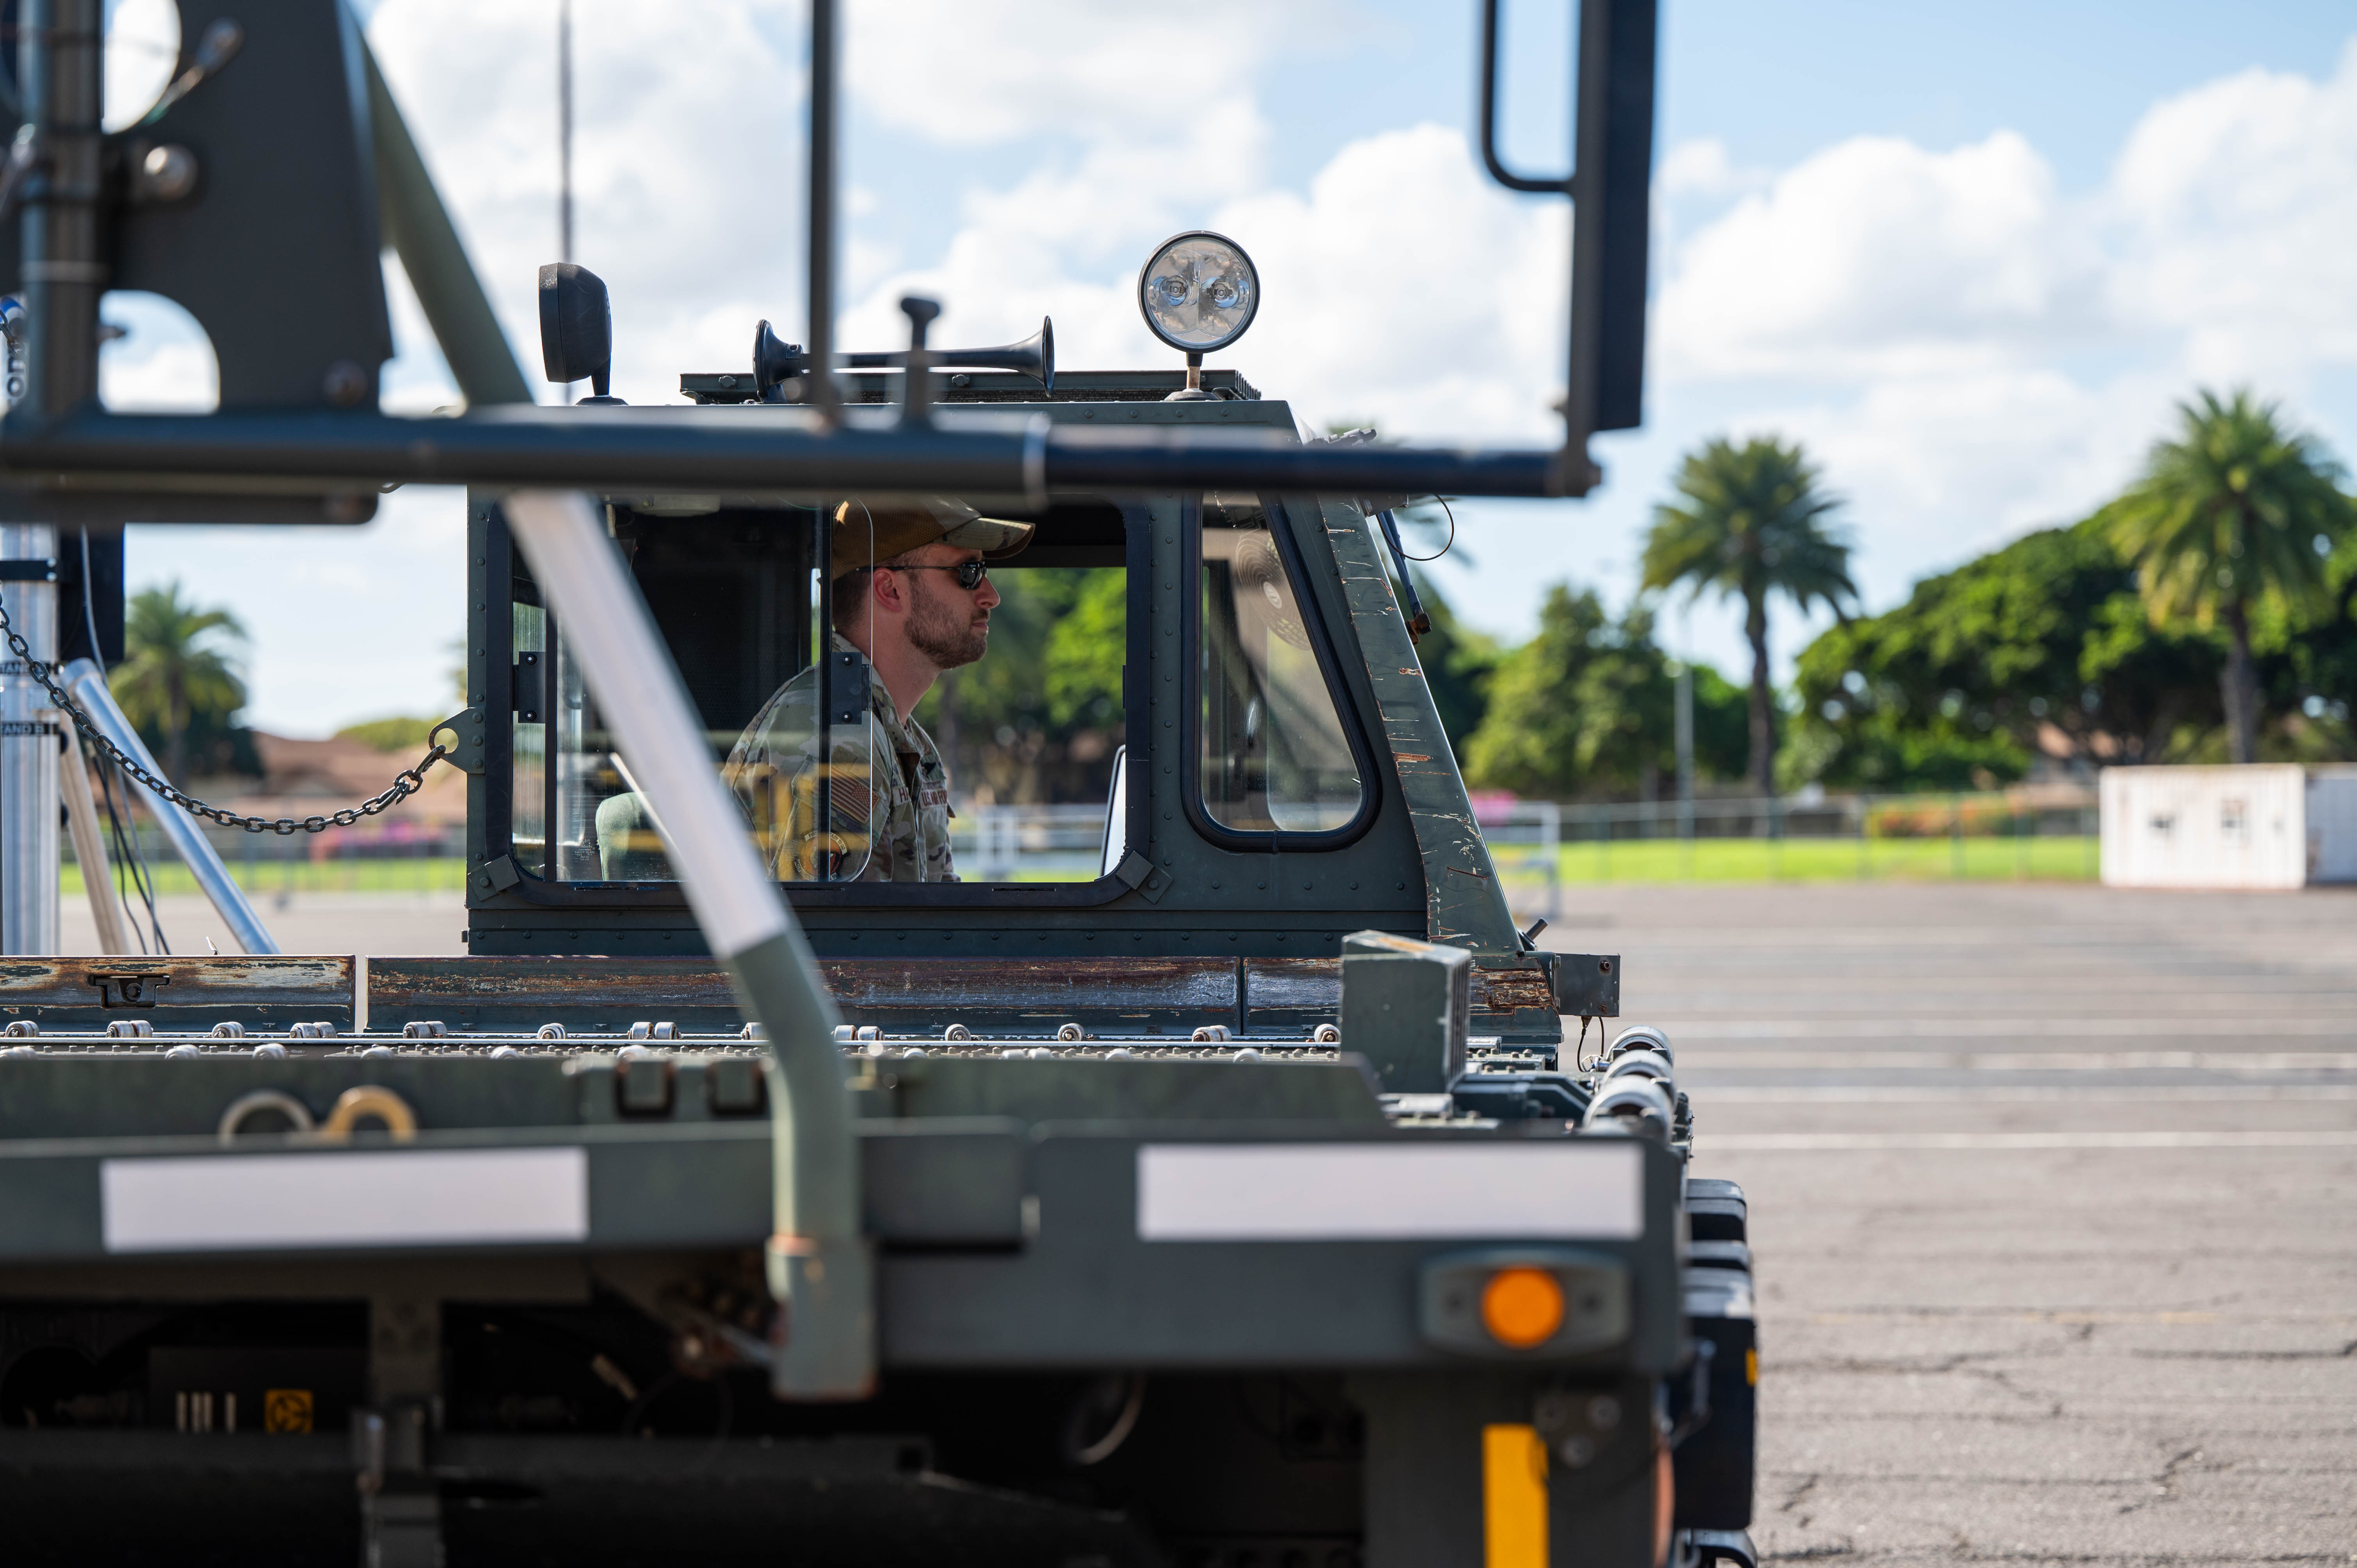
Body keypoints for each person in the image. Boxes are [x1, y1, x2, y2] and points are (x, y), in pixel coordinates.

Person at [722, 497, 1031, 881]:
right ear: (890, 590)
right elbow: (829, 935)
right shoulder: (840, 735)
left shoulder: (904, 739)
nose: (991, 596)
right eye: (968, 572)